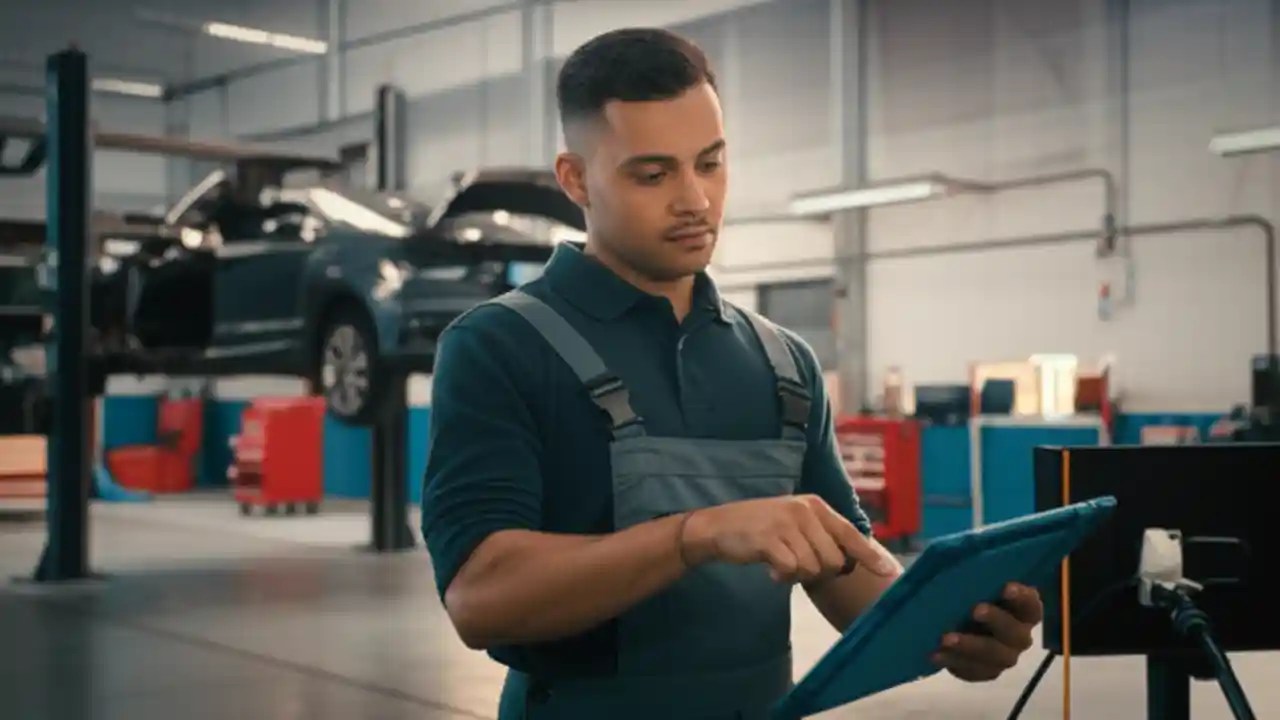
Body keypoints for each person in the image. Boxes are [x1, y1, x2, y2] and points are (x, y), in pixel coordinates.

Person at [421, 27, 1044, 719]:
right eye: (653, 175)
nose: (695, 199)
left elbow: (849, 569)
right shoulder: (499, 346)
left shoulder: (782, 363)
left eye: (711, 163)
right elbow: (481, 599)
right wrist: (696, 535)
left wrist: (952, 629)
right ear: (576, 180)